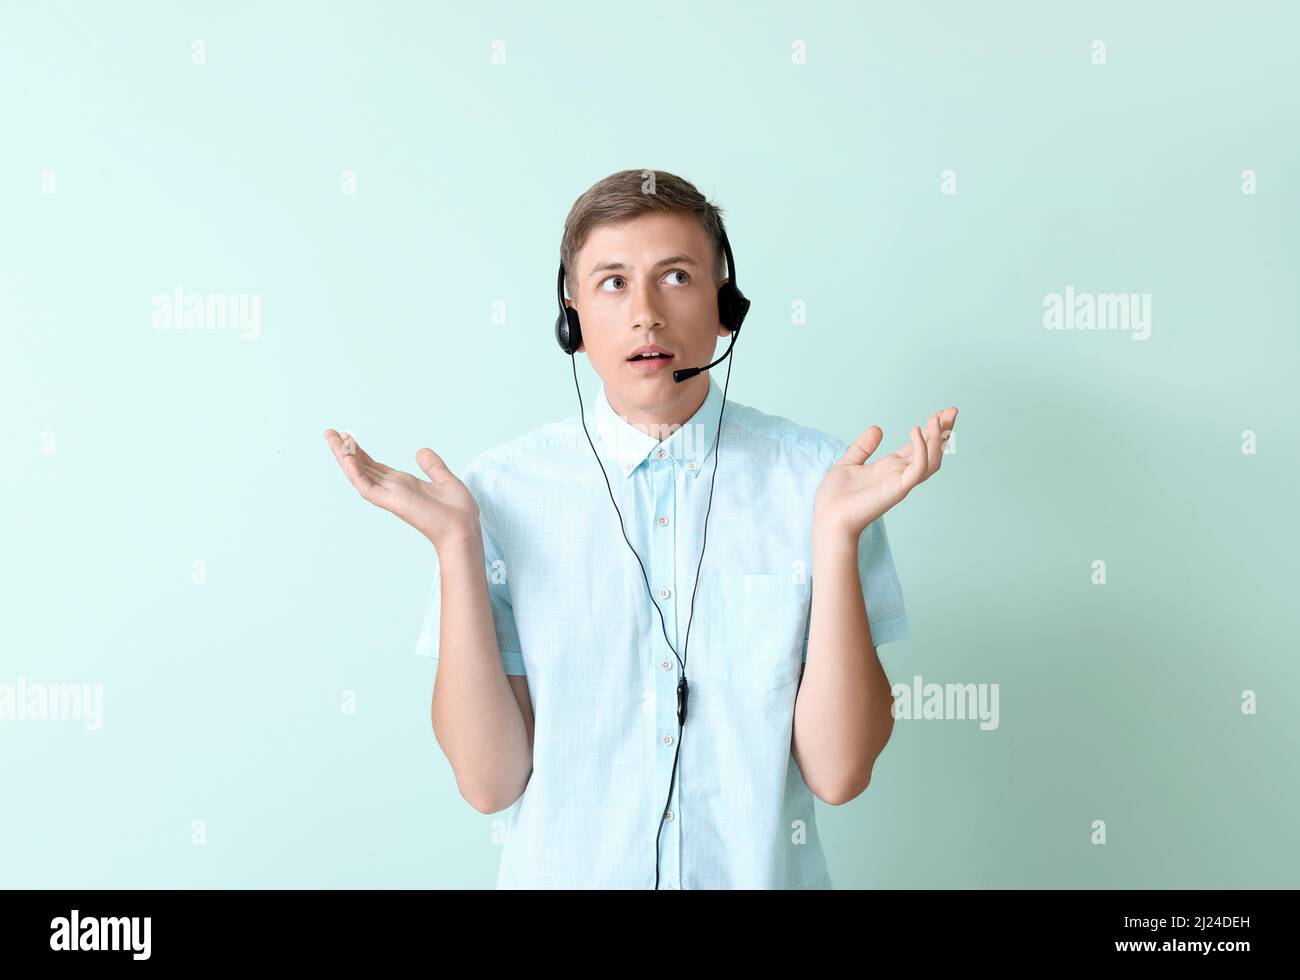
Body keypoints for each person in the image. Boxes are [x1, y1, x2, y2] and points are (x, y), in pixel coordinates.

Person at [324, 168, 958, 888]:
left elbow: (840, 773)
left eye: (677, 277)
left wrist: (836, 537)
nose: (646, 315)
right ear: (572, 319)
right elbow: (488, 783)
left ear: (726, 307)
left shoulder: (824, 483)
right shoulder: (498, 495)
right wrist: (455, 547)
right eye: (613, 282)